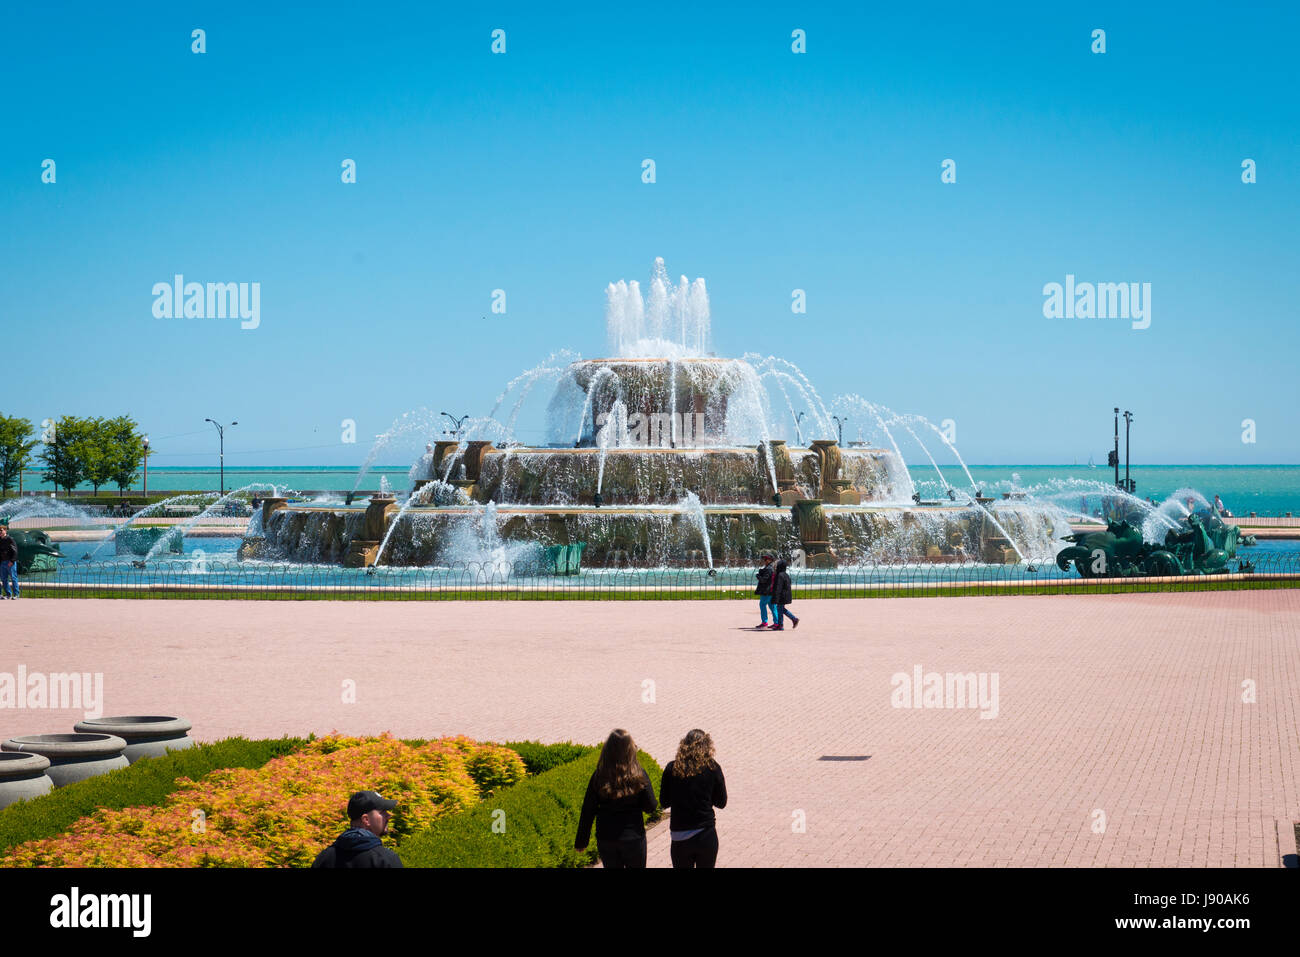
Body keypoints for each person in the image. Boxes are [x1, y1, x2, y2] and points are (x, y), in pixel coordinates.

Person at [574, 729, 657, 868]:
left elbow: (588, 810)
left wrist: (581, 841)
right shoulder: (638, 774)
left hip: (607, 837)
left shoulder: (599, 775)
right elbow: (651, 806)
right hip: (633, 836)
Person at [659, 729, 727, 868]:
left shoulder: (672, 768)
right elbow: (721, 802)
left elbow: (664, 802)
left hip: (680, 836)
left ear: (683, 745)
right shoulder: (712, 767)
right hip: (706, 834)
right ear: (707, 746)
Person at [311, 790, 404, 868]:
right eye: (383, 812)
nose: (389, 816)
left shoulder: (325, 857)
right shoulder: (385, 859)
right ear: (366, 820)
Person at [771, 558, 799, 630]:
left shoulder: (779, 575)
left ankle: (790, 620)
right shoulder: (786, 574)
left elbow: (778, 587)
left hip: (781, 596)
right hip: (786, 595)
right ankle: (782, 624)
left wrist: (776, 597)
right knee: (780, 609)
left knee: (780, 609)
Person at [754, 553, 775, 629]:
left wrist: (758, 576)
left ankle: (764, 622)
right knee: (772, 607)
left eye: (766, 559)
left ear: (770, 560)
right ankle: (776, 622)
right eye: (764, 559)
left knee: (762, 605)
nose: (764, 561)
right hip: (771, 590)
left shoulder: (769, 569)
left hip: (767, 591)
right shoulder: (772, 567)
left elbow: (764, 580)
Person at [0, 526, 18, 600]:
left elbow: (15, 550)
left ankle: (16, 595)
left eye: (1, 530)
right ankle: (8, 594)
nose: (0, 532)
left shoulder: (9, 539)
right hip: (2, 562)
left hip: (10, 562)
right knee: (4, 579)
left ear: (5, 531)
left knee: (13, 578)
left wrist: (12, 561)